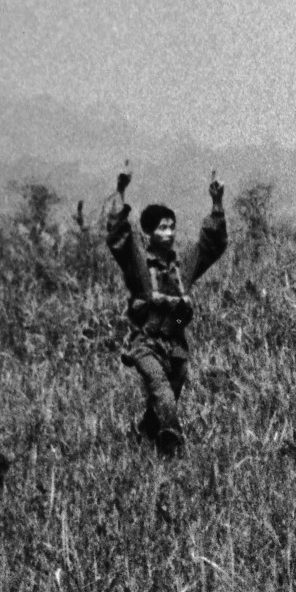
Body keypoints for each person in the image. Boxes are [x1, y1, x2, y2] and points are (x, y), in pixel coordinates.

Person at [104, 169, 227, 454]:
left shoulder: (182, 266)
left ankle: (144, 434)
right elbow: (117, 235)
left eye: (172, 226)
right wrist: (121, 189)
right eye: (162, 227)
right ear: (148, 233)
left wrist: (217, 202)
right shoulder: (137, 260)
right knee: (160, 390)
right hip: (145, 343)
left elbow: (212, 244)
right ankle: (174, 443)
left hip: (176, 346)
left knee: (167, 396)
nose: (169, 233)